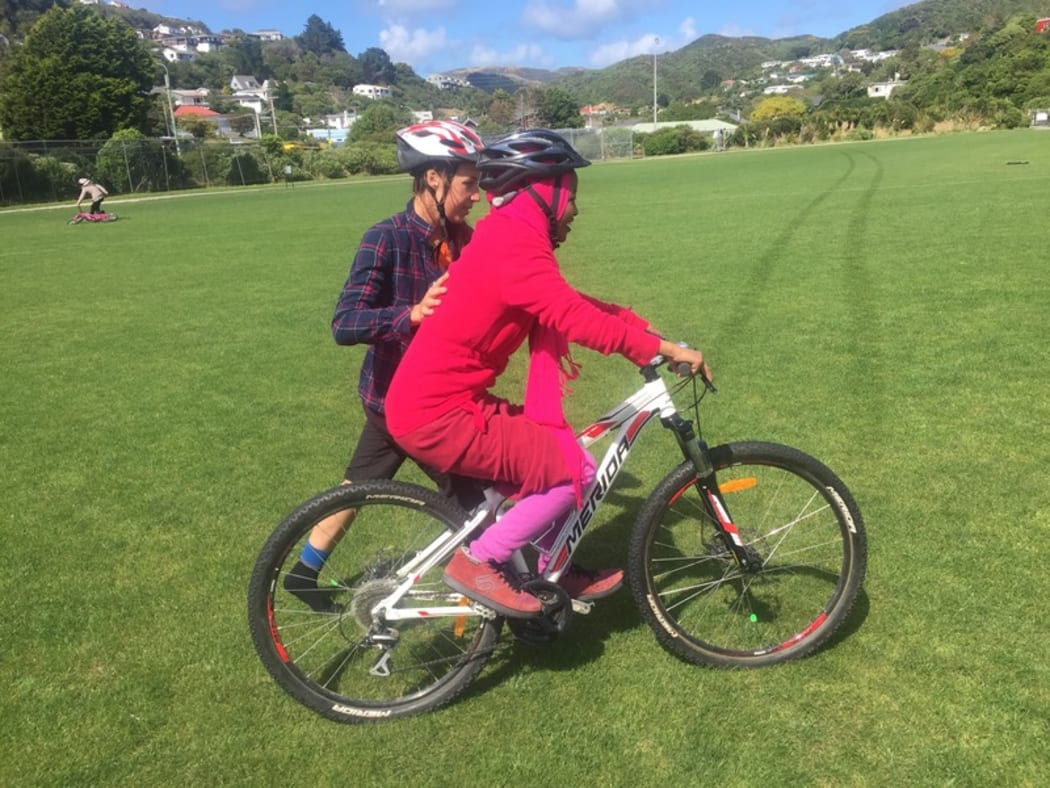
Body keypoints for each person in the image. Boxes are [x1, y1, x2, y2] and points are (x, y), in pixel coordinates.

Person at [385, 129, 710, 618]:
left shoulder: (509, 234)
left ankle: (544, 563)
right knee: (571, 470)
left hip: (445, 403)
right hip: (438, 414)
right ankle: (480, 560)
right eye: (572, 196)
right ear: (545, 191)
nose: (575, 210)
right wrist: (658, 347)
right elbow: (571, 318)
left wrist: (648, 333)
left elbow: (570, 303)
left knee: (562, 454)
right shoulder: (514, 243)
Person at [283, 119, 486, 611]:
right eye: (468, 183)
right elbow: (345, 322)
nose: (476, 195)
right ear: (433, 179)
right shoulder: (386, 238)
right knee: (476, 505)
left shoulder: (463, 237)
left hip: (433, 393)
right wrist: (411, 315)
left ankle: (304, 572)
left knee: (358, 485)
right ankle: (485, 590)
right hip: (405, 401)